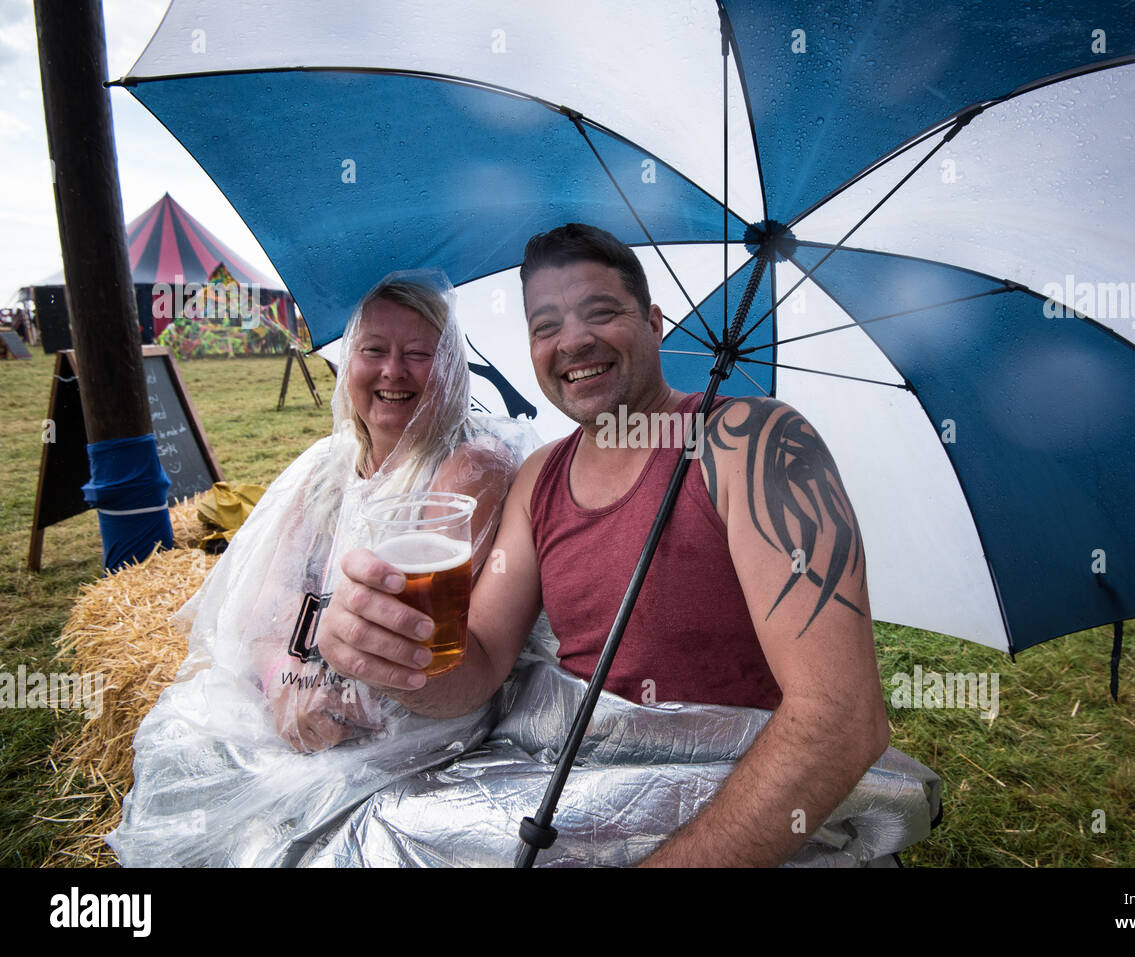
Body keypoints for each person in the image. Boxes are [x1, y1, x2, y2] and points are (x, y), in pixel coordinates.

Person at [317, 225, 891, 867]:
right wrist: (397, 655)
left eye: (601, 311)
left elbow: (841, 720)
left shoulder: (750, 443)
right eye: (545, 325)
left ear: (652, 322)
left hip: (744, 804)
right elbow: (473, 672)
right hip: (585, 792)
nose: (573, 340)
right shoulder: (539, 479)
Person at [178, 269, 535, 753]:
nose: (393, 370)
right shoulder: (325, 467)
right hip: (300, 698)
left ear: (451, 369)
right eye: (373, 350)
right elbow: (260, 611)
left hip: (405, 730)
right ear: (349, 363)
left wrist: (319, 693)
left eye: (418, 353)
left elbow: (424, 641)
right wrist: (284, 678)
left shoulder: (471, 467)